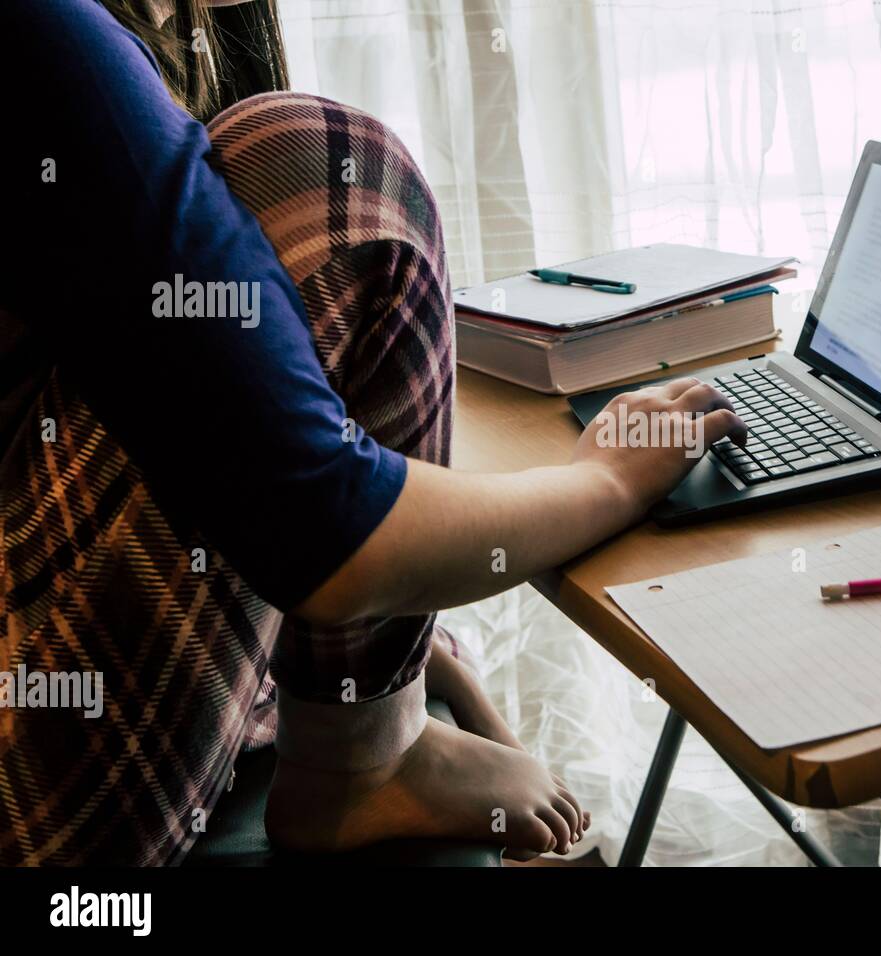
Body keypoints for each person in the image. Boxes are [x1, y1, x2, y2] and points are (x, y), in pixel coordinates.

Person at [0, 0, 746, 865]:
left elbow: (228, 451)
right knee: (329, 168)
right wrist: (610, 481)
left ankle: (373, 740)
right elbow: (325, 529)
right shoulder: (46, 36)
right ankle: (362, 763)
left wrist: (433, 675)